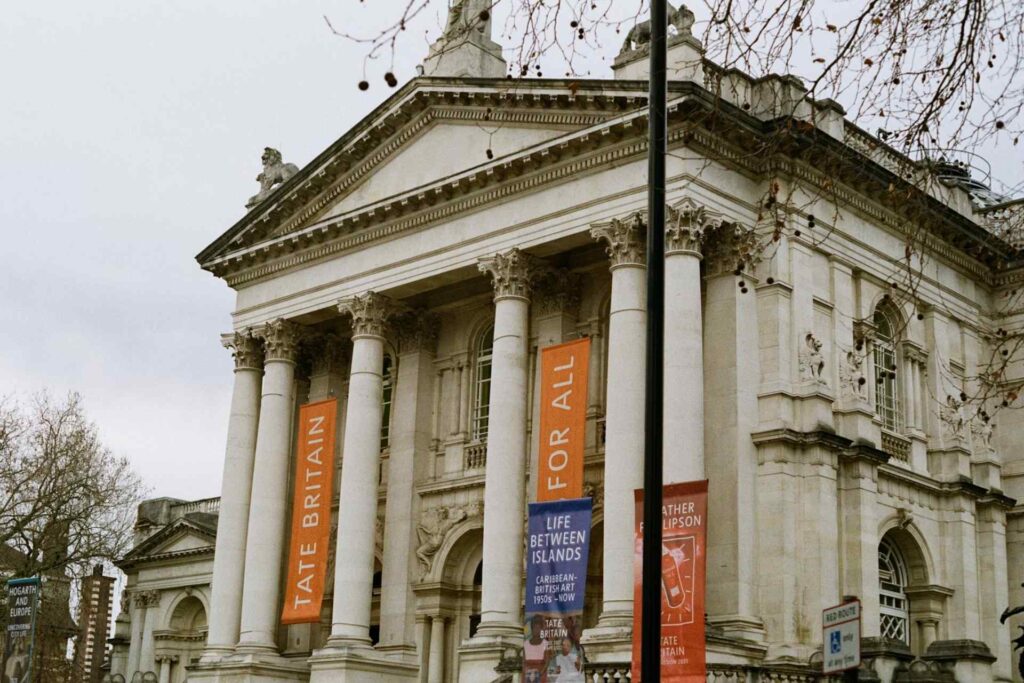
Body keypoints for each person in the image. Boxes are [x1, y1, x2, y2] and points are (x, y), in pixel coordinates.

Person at [523, 614, 551, 682]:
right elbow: (523, 661)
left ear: (541, 629)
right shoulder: (525, 644)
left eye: (539, 628)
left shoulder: (545, 643)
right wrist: (528, 672)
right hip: (527, 673)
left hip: (541, 673)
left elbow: (547, 662)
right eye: (535, 628)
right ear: (532, 629)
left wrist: (539, 674)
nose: (536, 631)